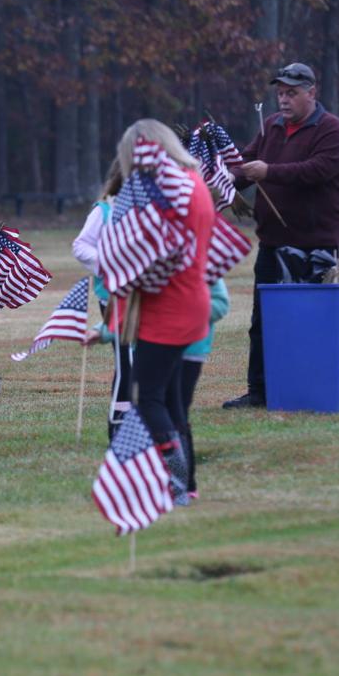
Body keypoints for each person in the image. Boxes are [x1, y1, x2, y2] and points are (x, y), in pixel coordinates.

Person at [223, 62, 339, 409]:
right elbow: (244, 164)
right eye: (280, 93)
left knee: (313, 322)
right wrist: (216, 178)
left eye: (291, 93)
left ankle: (312, 390)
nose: (283, 99)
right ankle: (260, 392)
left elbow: (317, 170)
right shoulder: (271, 129)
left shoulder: (331, 130)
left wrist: (268, 172)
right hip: (274, 244)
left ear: (312, 93)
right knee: (263, 323)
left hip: (318, 245)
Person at [117, 119, 215, 503]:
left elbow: (153, 251)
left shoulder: (167, 191)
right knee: (173, 401)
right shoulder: (193, 181)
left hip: (168, 308)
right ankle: (186, 485)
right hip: (191, 302)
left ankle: (174, 484)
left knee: (147, 398)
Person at [72, 160, 132, 442]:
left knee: (143, 362)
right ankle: (118, 426)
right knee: (127, 361)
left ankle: (142, 421)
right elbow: (81, 246)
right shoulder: (104, 211)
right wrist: (107, 262)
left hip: (150, 296)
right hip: (113, 296)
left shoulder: (153, 212)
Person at [179, 277, 230, 496]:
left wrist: (182, 310)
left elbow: (220, 305)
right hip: (151, 347)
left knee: (175, 412)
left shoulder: (205, 263)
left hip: (190, 350)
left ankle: (184, 481)